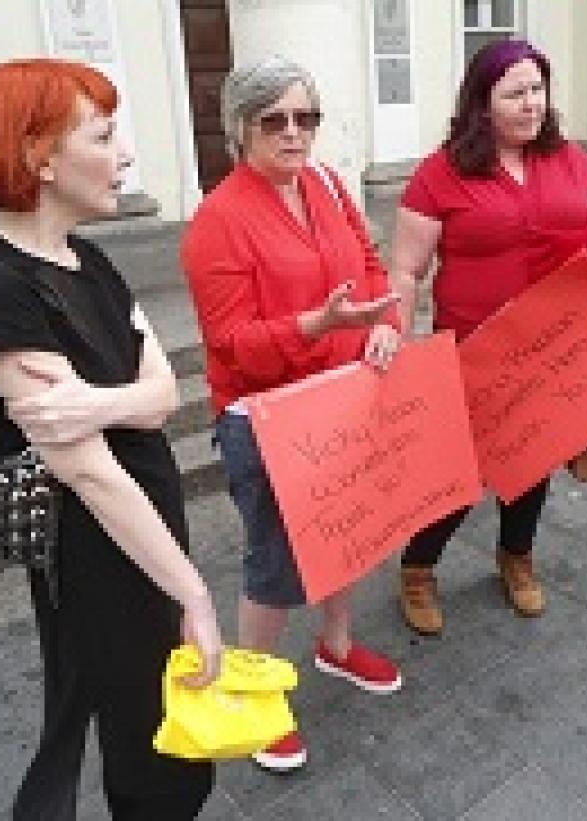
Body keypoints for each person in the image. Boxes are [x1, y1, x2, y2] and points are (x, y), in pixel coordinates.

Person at [0, 59, 221, 819]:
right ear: (39, 156)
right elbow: (89, 473)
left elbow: (164, 395)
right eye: (102, 137)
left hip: (147, 519)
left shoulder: (85, 257)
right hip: (98, 548)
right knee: (152, 743)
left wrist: (101, 402)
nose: (124, 154)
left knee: (164, 721)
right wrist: (194, 592)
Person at [181, 56, 403, 773]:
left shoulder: (328, 185)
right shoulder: (217, 221)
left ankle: (335, 644)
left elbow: (372, 268)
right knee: (274, 563)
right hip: (267, 416)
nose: (293, 132)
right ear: (239, 128)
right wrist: (316, 324)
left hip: (343, 397)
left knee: (345, 534)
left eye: (305, 117)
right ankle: (251, 696)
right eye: (273, 119)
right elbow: (231, 344)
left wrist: (385, 322)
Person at [391, 39, 587, 636]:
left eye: (537, 89)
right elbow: (406, 270)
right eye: (515, 93)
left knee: (532, 459)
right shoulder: (440, 173)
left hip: (551, 346)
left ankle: (516, 557)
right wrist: (396, 337)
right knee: (458, 473)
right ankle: (418, 570)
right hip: (472, 352)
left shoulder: (570, 159)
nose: (531, 103)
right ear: (482, 103)